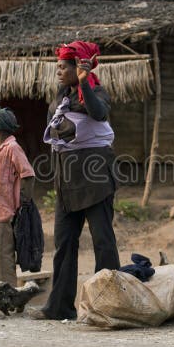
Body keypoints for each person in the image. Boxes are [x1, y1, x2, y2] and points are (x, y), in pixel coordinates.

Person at [31, 41, 120, 320]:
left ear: (78, 67)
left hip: (95, 181)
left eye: (63, 67)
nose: (58, 71)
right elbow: (56, 138)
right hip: (67, 184)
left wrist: (84, 82)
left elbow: (98, 113)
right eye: (57, 66)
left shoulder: (96, 92)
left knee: (103, 243)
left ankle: (108, 306)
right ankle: (59, 306)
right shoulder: (59, 98)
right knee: (64, 244)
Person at [0, 105, 35, 287]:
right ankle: (5, 297)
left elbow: (28, 175)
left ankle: (9, 298)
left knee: (3, 260)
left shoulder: (12, 148)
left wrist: (23, 207)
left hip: (4, 214)